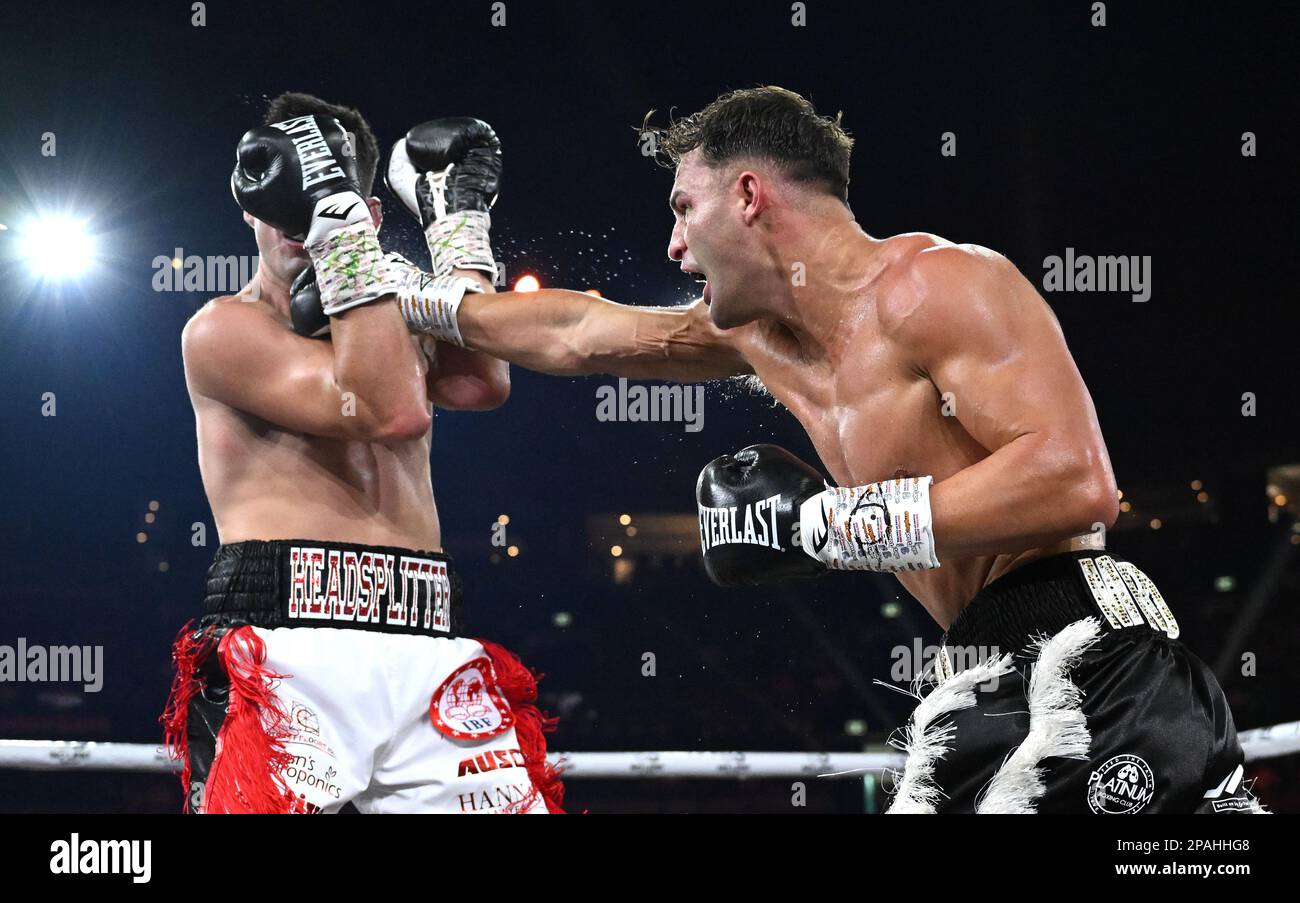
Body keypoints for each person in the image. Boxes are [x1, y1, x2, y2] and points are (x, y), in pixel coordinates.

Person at [377, 86, 1262, 813]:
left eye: (685, 208)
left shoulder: (940, 285)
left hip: (1092, 661)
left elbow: (1077, 482)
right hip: (985, 672)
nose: (676, 244)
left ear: (750, 196)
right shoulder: (765, 337)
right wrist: (403, 287)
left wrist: (827, 528)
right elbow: (580, 331)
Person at [161, 93, 562, 814]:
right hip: (288, 644)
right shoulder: (221, 332)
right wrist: (337, 227)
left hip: (428, 636)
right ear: (251, 206)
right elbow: (391, 408)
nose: (299, 220)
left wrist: (458, 226)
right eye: (288, 200)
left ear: (372, 214)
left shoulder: (389, 307)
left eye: (324, 198)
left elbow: (480, 378)